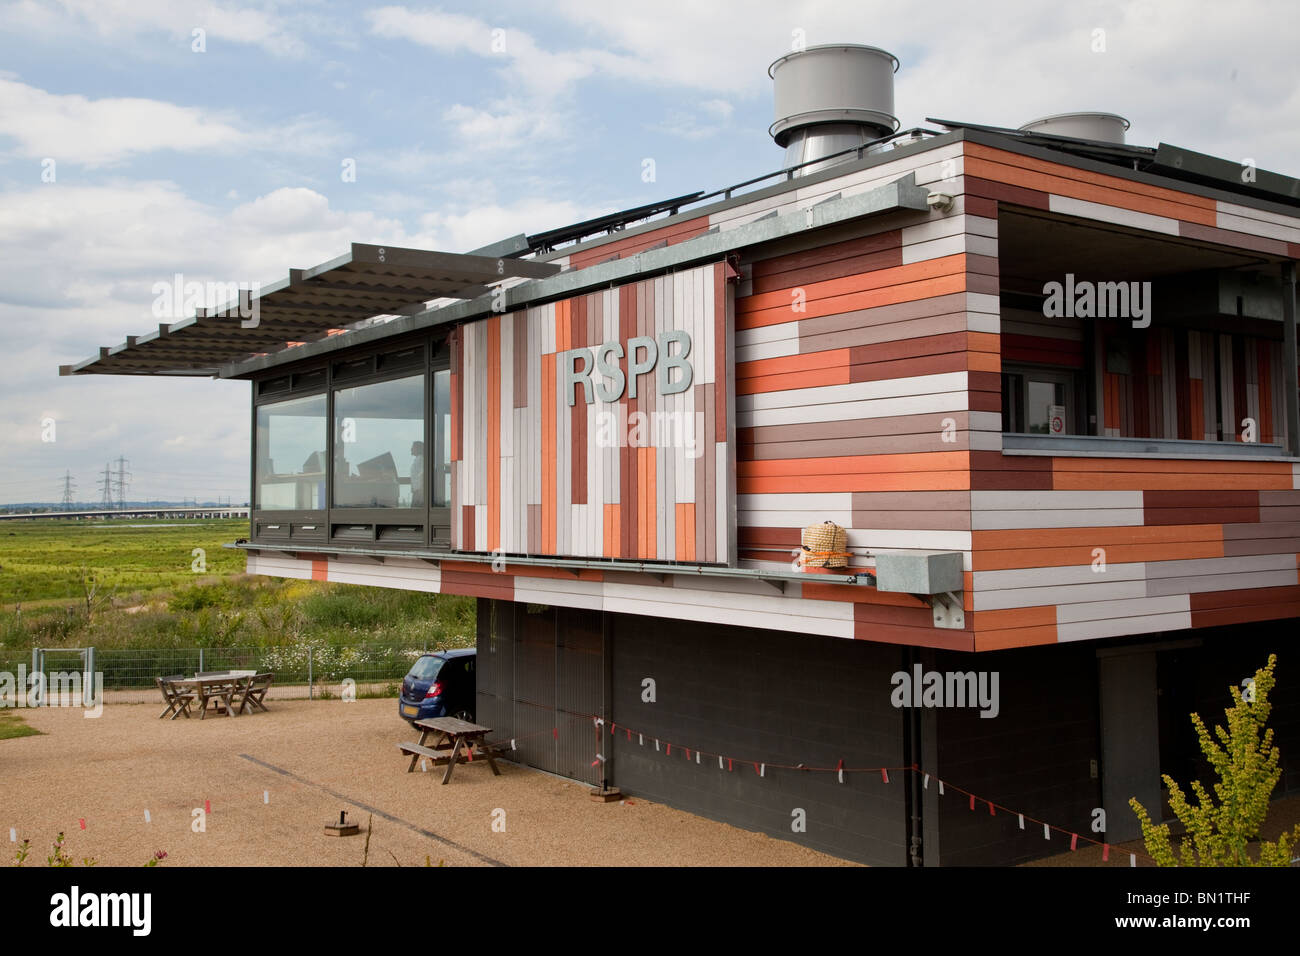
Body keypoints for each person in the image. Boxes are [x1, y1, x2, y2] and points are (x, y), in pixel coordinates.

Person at [409, 440, 425, 508]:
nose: (411, 449)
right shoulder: (418, 459)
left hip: (419, 491)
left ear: (418, 448)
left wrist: (420, 490)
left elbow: (422, 474)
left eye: (413, 447)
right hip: (417, 490)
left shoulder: (420, 459)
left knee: (416, 510)